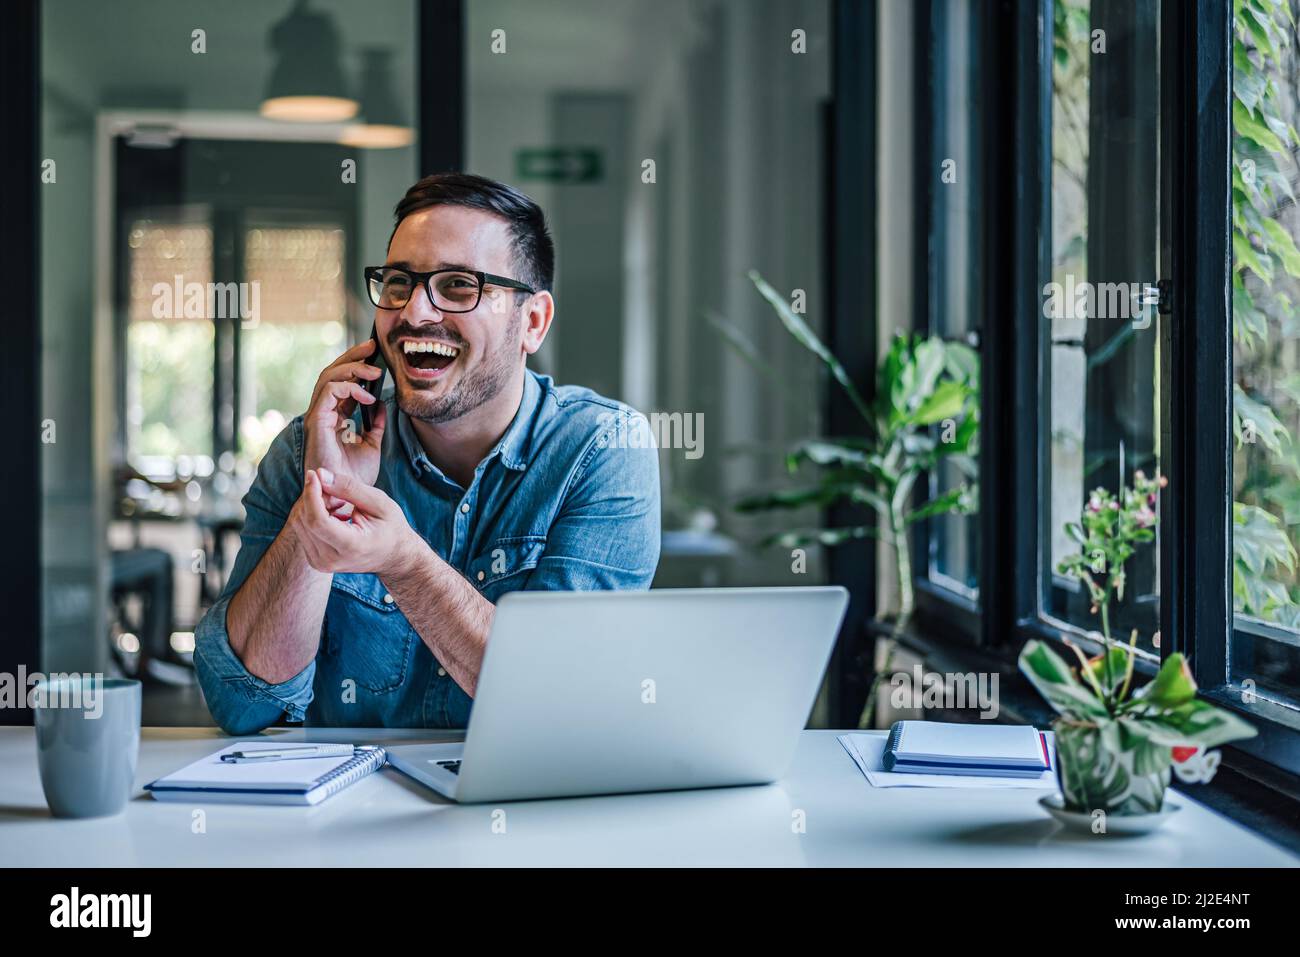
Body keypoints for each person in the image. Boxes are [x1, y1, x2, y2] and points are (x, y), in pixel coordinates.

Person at [194, 173, 661, 734]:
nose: (414, 313)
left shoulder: (603, 450)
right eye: (399, 283)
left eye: (459, 286)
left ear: (531, 322)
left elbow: (561, 702)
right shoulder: (309, 446)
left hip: (526, 812)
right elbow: (241, 705)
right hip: (346, 814)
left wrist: (403, 562)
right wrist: (320, 507)